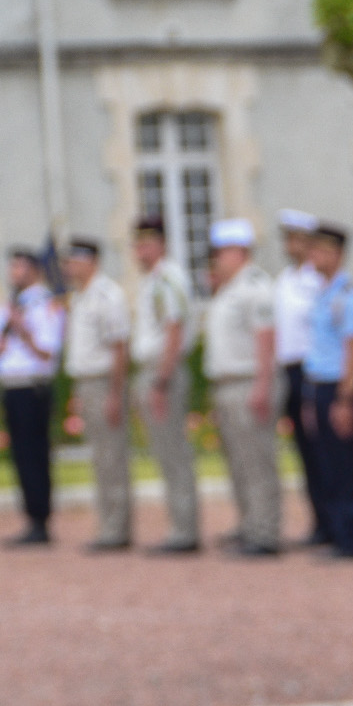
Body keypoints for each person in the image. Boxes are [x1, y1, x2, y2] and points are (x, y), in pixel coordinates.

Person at [203, 218, 283, 558]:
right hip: (229, 383)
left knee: (257, 461)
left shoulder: (254, 287)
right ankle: (249, 523)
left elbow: (265, 339)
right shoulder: (229, 287)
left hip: (250, 381)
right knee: (238, 461)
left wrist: (263, 386)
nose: (216, 259)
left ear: (239, 251)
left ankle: (265, 532)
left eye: (221, 252)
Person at [0, 247, 65, 547]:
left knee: (35, 455)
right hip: (11, 386)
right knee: (19, 456)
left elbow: (48, 351)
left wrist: (23, 332)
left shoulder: (47, 305)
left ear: (35, 270)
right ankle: (29, 516)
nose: (14, 273)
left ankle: (41, 519)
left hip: (33, 386)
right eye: (12, 267)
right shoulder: (9, 306)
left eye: (20, 268)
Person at [129, 215, 201, 555]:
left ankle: (184, 530)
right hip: (154, 370)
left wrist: (161, 380)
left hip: (163, 372)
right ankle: (179, 525)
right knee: (165, 452)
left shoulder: (168, 278)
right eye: (137, 245)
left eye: (145, 244)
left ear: (161, 245)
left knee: (173, 453)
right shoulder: (153, 280)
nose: (139, 252)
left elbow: (174, 329)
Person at [302, 223, 353, 559]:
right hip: (319, 385)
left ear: (336, 254)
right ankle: (337, 533)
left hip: (339, 386)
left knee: (346, 465)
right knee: (328, 464)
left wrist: (346, 399)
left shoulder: (348, 296)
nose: (313, 256)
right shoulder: (323, 292)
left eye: (320, 250)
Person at [62, 236, 134, 553]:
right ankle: (107, 524)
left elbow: (119, 348)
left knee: (111, 458)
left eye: (75, 260)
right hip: (87, 382)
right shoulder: (80, 297)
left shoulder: (107, 295)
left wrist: (115, 395)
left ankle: (117, 529)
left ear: (92, 261)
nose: (69, 267)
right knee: (100, 459)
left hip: (104, 382)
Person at [274, 210, 328, 547]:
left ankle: (332, 522)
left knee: (321, 449)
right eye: (288, 239)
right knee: (305, 453)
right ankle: (318, 520)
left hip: (312, 371)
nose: (291, 245)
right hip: (289, 371)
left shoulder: (316, 282)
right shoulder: (284, 279)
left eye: (297, 239)